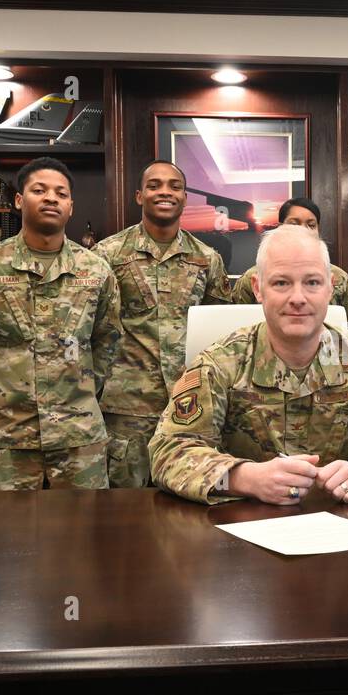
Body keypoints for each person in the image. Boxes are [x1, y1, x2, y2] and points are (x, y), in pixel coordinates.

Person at [149, 225, 348, 505]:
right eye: (281, 283)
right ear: (258, 289)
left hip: (344, 521)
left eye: (312, 282)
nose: (298, 298)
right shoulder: (220, 363)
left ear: (330, 288)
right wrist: (242, 478)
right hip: (243, 527)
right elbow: (168, 450)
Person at [0, 156, 122, 490]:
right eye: (40, 190)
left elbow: (108, 340)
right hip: (7, 437)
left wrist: (80, 391)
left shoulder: (97, 271)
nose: (51, 198)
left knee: (83, 539)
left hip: (78, 438)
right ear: (19, 200)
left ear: (70, 206)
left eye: (60, 193)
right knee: (4, 539)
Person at [93, 160, 233, 487]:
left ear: (185, 198)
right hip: (127, 407)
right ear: (139, 196)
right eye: (155, 186)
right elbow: (91, 330)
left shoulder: (207, 258)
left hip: (191, 406)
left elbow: (222, 335)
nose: (165, 192)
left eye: (174, 186)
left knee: (187, 503)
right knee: (125, 510)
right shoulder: (108, 255)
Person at [230, 197, 348, 331]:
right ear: (280, 227)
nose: (303, 230)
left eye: (311, 225)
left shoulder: (340, 279)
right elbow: (235, 326)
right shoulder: (253, 278)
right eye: (294, 224)